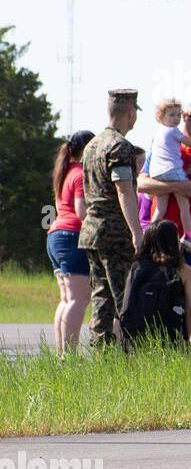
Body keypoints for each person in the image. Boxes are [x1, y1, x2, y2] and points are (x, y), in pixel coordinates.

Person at [138, 100, 191, 352]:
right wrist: (179, 187)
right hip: (164, 236)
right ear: (183, 116)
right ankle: (162, 350)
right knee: (162, 292)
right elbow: (142, 184)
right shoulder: (164, 142)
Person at [78, 90, 146, 348]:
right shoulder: (119, 146)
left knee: (101, 298)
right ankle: (133, 354)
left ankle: (101, 354)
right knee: (125, 299)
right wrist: (136, 232)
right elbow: (124, 189)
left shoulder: (91, 145)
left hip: (92, 234)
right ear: (130, 114)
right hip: (115, 235)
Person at [47, 130, 95, 354]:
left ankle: (62, 354)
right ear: (86, 150)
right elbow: (81, 211)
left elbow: (60, 209)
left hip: (56, 236)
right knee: (79, 298)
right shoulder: (80, 174)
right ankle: (69, 355)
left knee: (66, 299)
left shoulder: (64, 172)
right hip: (72, 236)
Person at [119, 220, 191, 350]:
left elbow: (125, 307)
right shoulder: (184, 271)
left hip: (138, 338)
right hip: (171, 338)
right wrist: (186, 340)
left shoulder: (136, 268)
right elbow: (190, 311)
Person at [146, 98, 191, 254]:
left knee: (160, 209)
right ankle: (188, 236)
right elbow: (140, 184)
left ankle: (149, 235)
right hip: (173, 170)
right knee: (184, 205)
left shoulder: (158, 135)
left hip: (159, 172)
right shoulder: (173, 133)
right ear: (186, 117)